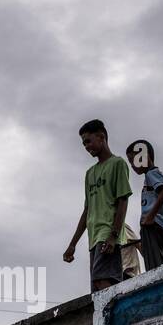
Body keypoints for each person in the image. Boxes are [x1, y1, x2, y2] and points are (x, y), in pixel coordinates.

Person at [63, 119, 132, 292]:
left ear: (101, 137)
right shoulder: (90, 173)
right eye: (83, 144)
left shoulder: (117, 164)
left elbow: (123, 200)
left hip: (107, 233)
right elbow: (87, 210)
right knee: (97, 285)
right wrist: (73, 244)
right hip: (93, 238)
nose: (86, 146)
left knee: (102, 281)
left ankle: (115, 317)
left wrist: (113, 235)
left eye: (88, 141)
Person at [126, 139, 163, 269]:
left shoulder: (151, 174)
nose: (132, 165)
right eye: (130, 162)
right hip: (159, 228)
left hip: (152, 228)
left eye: (133, 160)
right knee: (162, 264)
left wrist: (151, 216)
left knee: (154, 267)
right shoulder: (151, 180)